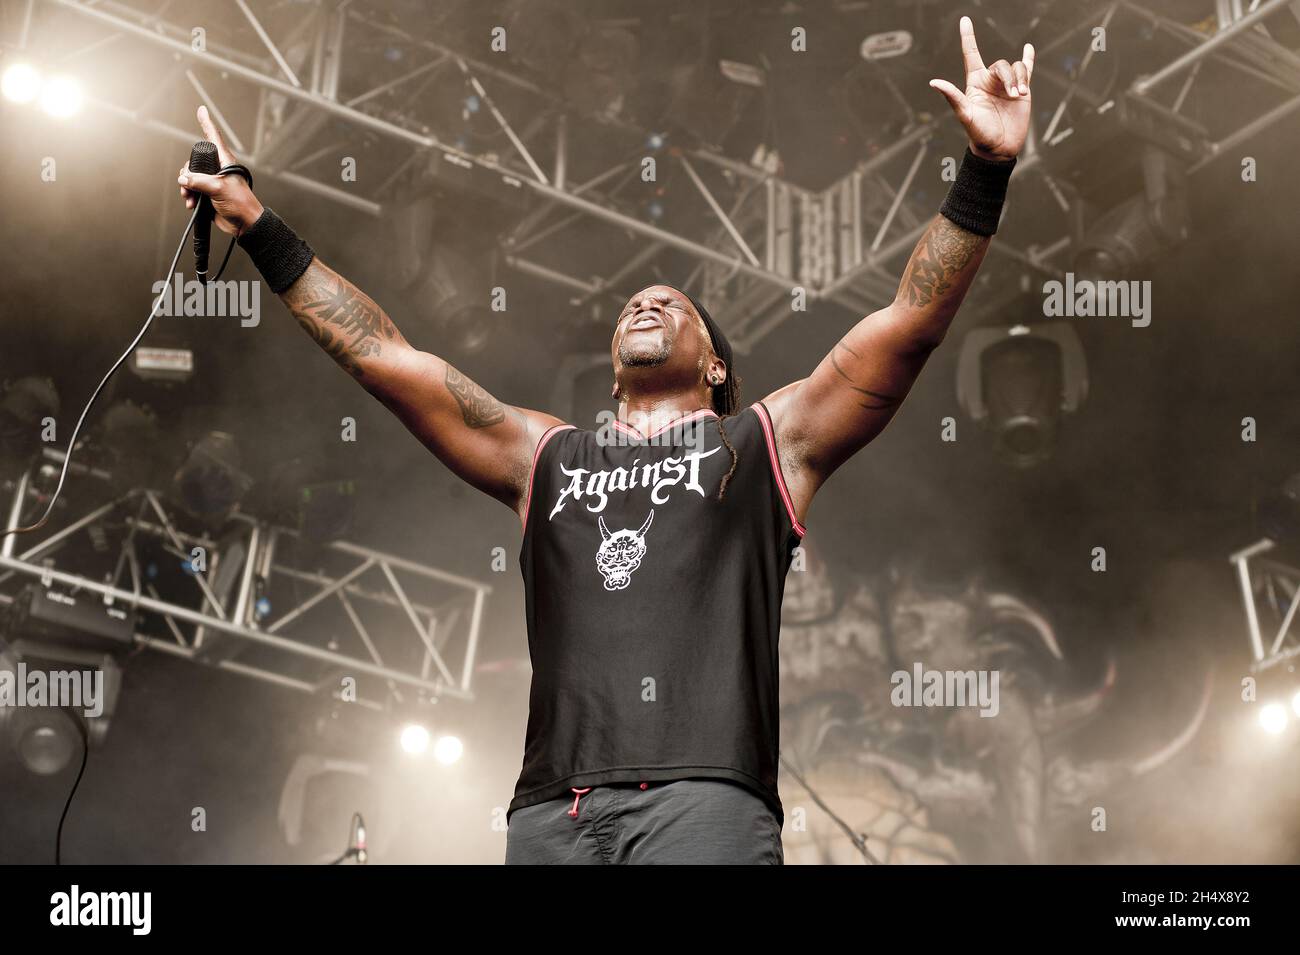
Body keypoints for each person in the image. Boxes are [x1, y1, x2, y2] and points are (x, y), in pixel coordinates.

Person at [176, 17, 1034, 865]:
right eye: (633, 303)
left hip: (704, 803)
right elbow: (386, 358)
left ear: (715, 370)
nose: (646, 303)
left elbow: (908, 326)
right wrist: (258, 224)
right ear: (615, 371)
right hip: (551, 813)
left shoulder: (766, 443)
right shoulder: (544, 456)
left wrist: (986, 171)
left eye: (676, 305)